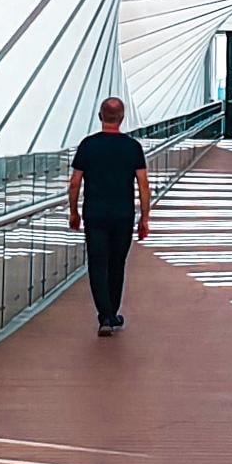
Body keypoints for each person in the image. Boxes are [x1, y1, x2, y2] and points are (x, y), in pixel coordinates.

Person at [67, 96, 151, 335]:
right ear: (122, 118)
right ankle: (112, 312)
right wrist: (144, 218)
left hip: (95, 214)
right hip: (123, 215)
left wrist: (73, 212)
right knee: (117, 263)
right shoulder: (132, 147)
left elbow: (74, 183)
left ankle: (104, 316)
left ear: (100, 117)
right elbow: (143, 185)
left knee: (97, 263)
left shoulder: (88, 145)